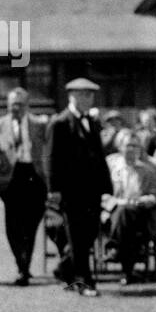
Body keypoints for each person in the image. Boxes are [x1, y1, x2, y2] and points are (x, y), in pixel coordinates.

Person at [45, 78, 112, 296]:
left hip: (91, 190)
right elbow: (51, 158)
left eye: (91, 95)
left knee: (89, 233)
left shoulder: (91, 121)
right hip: (71, 191)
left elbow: (99, 156)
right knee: (77, 236)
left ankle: (65, 268)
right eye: (84, 94)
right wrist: (54, 188)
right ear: (72, 96)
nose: (89, 99)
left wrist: (106, 186)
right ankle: (84, 281)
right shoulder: (60, 122)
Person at [0, 87, 47, 285]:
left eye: (20, 105)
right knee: (13, 226)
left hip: (34, 177)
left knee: (31, 225)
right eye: (12, 105)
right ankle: (22, 266)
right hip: (11, 179)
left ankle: (25, 265)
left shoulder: (40, 124)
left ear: (27, 106)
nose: (15, 109)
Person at [104, 130, 156, 284]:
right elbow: (103, 195)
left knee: (127, 214)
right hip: (114, 211)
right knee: (123, 213)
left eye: (135, 146)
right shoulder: (112, 168)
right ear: (120, 147)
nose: (131, 149)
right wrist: (119, 202)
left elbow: (154, 196)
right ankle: (127, 270)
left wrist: (141, 200)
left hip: (140, 213)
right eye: (128, 145)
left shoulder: (147, 171)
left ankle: (114, 247)